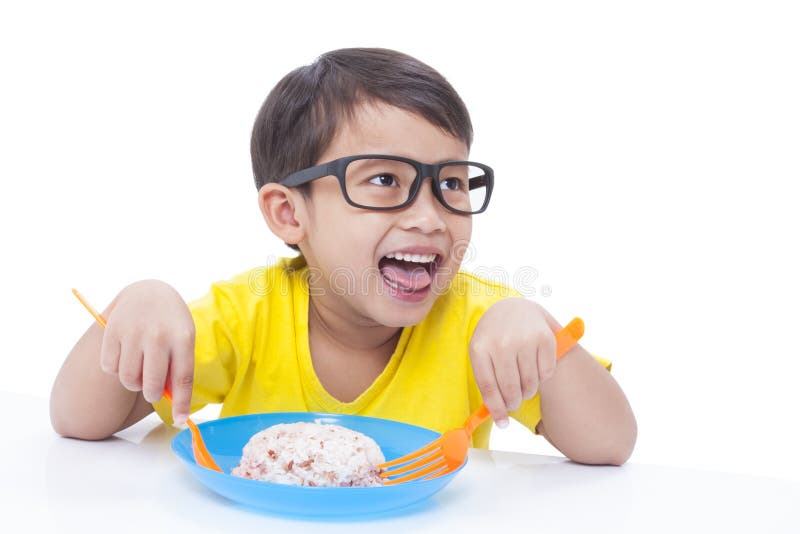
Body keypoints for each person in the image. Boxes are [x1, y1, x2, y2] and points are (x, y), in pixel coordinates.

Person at [50, 48, 636, 465]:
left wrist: (540, 333)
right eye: (385, 178)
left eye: (452, 183)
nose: (430, 216)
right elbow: (79, 419)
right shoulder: (247, 315)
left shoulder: (482, 324)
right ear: (288, 213)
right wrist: (139, 302)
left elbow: (610, 444)